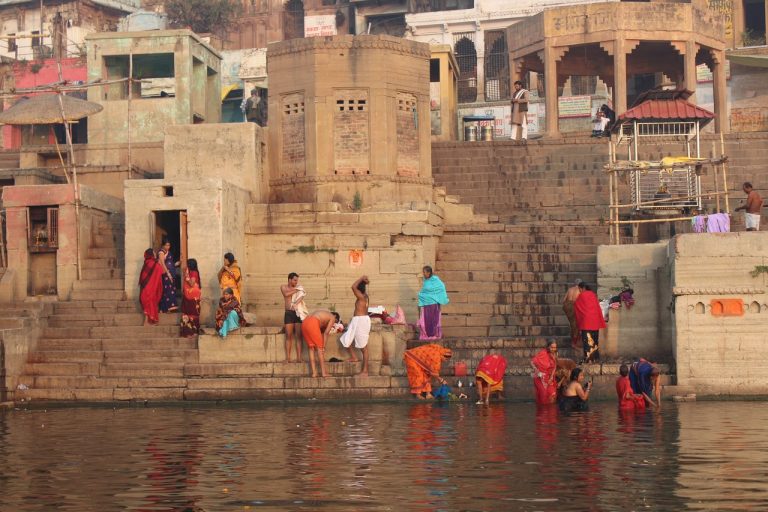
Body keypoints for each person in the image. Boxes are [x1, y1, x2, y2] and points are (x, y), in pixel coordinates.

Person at [340, 275, 372, 376]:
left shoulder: (362, 297)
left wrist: (361, 278)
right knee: (346, 339)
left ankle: (365, 371)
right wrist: (364, 281)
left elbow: (353, 287)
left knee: (364, 348)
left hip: (361, 322)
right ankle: (354, 357)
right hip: (357, 321)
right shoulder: (365, 296)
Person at [574, 282, 606, 362]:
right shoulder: (593, 295)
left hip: (586, 324)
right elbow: (598, 308)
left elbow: (576, 306)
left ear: (582, 288)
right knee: (595, 341)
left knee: (587, 341)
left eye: (579, 289)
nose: (579, 291)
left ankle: (588, 359)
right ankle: (596, 358)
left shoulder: (581, 295)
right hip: (595, 323)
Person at [303, 310, 341, 378]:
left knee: (311, 348)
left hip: (305, 322)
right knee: (320, 350)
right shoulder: (332, 317)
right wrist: (323, 347)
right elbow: (326, 333)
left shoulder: (324, 314)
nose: (332, 324)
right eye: (335, 322)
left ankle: (314, 373)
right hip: (313, 322)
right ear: (335, 317)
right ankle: (324, 373)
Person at [417, 265, 449, 340]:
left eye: (424, 272)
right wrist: (421, 295)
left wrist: (438, 297)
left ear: (429, 272)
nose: (423, 274)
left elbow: (441, 287)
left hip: (433, 304)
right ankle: (427, 335)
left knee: (433, 320)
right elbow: (424, 291)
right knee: (426, 320)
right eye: (423, 272)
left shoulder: (435, 280)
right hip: (426, 304)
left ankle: (434, 334)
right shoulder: (425, 281)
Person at [280, 272, 304, 363]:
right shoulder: (283, 287)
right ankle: (288, 358)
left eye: (297, 280)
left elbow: (302, 297)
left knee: (298, 336)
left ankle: (299, 358)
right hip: (288, 313)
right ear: (289, 280)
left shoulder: (299, 288)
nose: (296, 282)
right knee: (288, 336)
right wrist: (297, 289)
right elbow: (286, 294)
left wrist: (298, 289)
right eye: (294, 280)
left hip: (297, 313)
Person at [139, 248, 163, 326]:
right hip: (151, 288)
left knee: (148, 304)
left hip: (145, 288)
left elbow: (143, 277)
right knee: (150, 303)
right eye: (154, 253)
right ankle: (146, 322)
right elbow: (161, 271)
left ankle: (147, 322)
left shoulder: (146, 263)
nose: (155, 254)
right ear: (151, 254)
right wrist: (161, 263)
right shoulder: (154, 264)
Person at [531, 340, 559, 405]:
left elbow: (555, 366)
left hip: (550, 377)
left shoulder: (555, 354)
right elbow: (532, 362)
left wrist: (551, 377)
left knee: (553, 394)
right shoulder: (543, 353)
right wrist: (536, 370)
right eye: (552, 347)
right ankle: (543, 412)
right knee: (543, 397)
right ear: (548, 347)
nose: (553, 349)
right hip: (541, 378)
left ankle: (551, 413)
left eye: (555, 347)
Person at [180, 259, 201, 338]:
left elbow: (192, 284)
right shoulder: (193, 272)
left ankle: (191, 332)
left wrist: (187, 278)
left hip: (191, 297)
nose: (186, 266)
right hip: (192, 296)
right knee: (189, 313)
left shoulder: (193, 273)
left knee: (191, 313)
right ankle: (190, 332)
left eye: (187, 264)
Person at [157, 238, 178, 313]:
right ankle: (166, 308)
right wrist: (168, 273)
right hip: (166, 274)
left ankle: (171, 307)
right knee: (167, 290)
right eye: (166, 245)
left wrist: (179, 262)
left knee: (172, 289)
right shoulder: (161, 252)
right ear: (163, 245)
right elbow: (162, 263)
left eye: (169, 245)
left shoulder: (168, 252)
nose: (168, 247)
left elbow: (171, 264)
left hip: (171, 273)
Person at [562, 278, 582, 349]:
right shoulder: (580, 290)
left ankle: (575, 341)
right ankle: (574, 343)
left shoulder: (570, 289)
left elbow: (564, 300)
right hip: (574, 306)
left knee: (573, 324)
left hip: (567, 306)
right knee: (576, 325)